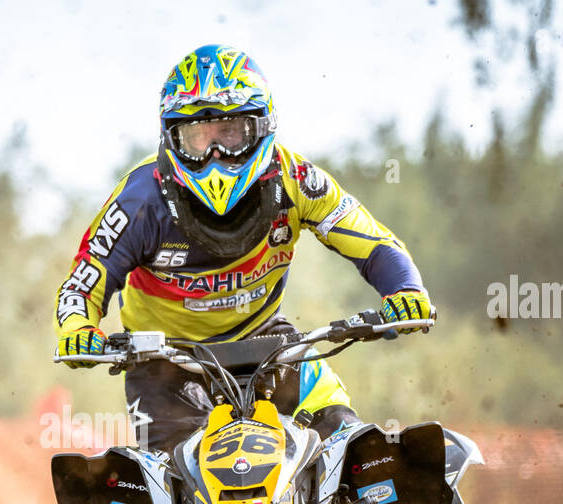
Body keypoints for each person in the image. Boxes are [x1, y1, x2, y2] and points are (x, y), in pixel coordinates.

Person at [54, 44, 434, 450]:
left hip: (268, 344)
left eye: (230, 133)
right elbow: (84, 279)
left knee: (351, 445)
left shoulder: (297, 180)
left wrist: (405, 289)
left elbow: (373, 242)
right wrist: (78, 327)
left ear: (261, 126)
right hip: (165, 361)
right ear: (171, 137)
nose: (215, 154)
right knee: (164, 487)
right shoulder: (139, 200)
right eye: (198, 138)